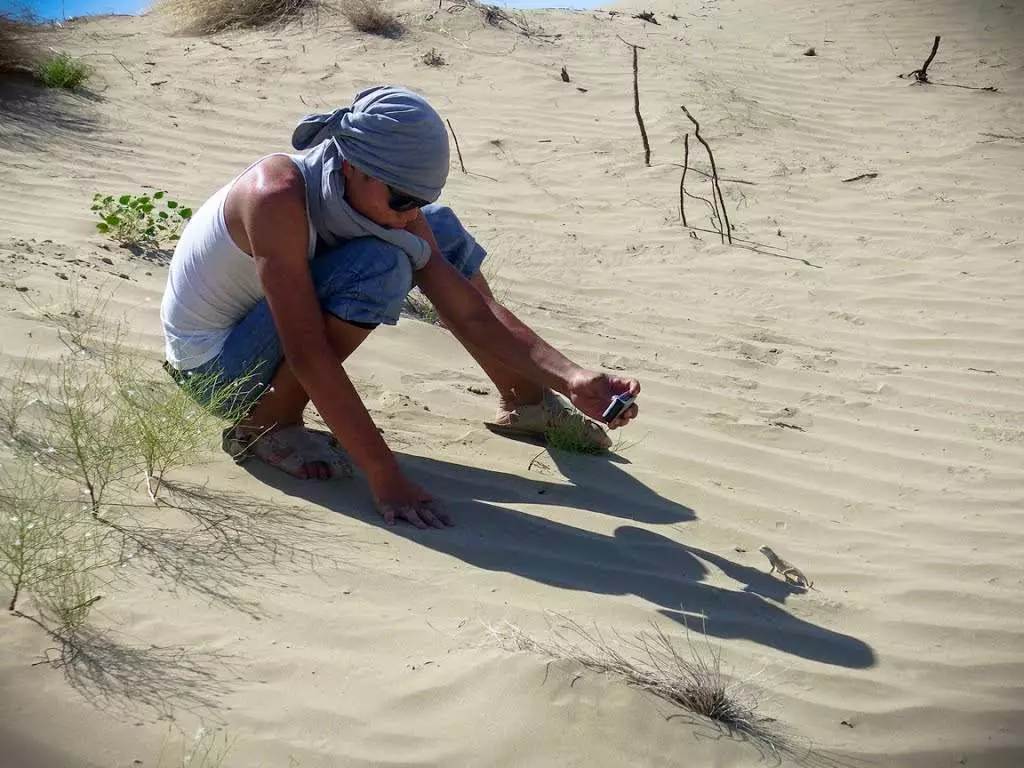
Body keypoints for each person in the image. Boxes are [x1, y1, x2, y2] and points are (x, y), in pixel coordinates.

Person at [160, 86, 640, 530]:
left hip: (262, 345)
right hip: (219, 371)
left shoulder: (376, 195)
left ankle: (527, 402)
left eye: (420, 197)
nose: (410, 211)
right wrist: (383, 474)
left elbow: (470, 310)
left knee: (437, 229)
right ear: (352, 164)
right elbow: (307, 352)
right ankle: (268, 424)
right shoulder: (276, 198)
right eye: (402, 196)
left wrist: (572, 378)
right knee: (381, 263)